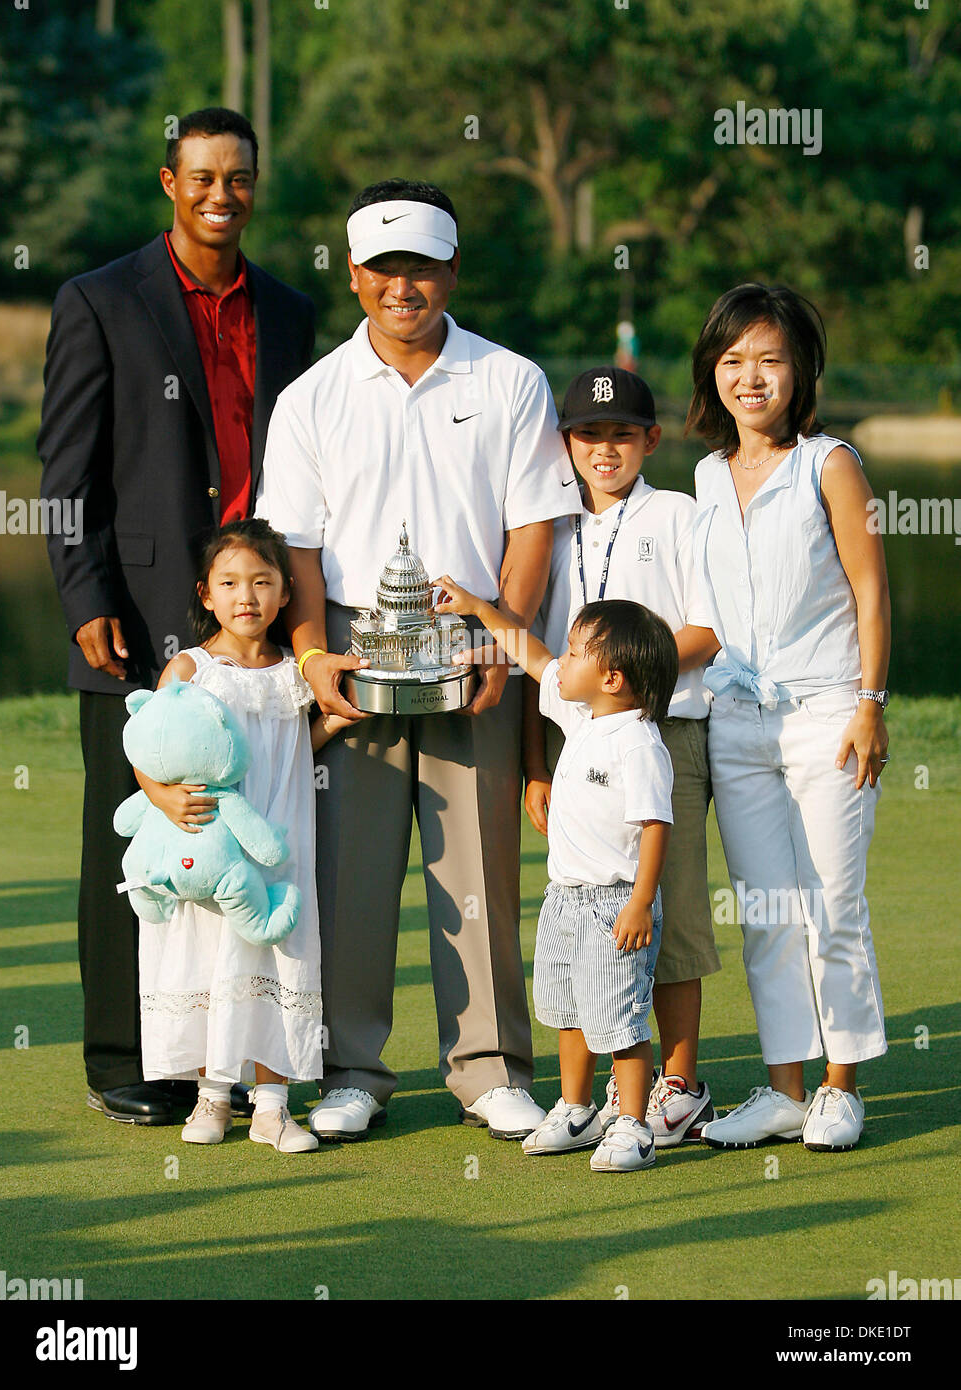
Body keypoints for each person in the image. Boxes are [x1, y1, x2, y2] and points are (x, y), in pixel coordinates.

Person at [256, 178, 580, 1141]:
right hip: (356, 642)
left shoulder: (510, 379)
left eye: (424, 267)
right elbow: (299, 553)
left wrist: (501, 642)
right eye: (386, 268)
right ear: (355, 274)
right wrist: (312, 657)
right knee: (350, 873)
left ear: (451, 271)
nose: (405, 286)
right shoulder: (311, 396)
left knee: (477, 865)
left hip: (473, 631)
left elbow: (533, 528)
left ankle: (488, 1069)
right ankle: (353, 1068)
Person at [38, 107, 316, 1125]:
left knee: (245, 848)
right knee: (142, 843)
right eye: (201, 177)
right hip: (136, 620)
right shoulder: (99, 298)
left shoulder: (289, 310)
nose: (220, 195)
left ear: (254, 184)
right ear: (170, 183)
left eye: (237, 178)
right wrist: (83, 602)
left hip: (256, 622)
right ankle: (126, 1058)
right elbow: (65, 476)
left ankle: (231, 1062)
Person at [685, 283, 890, 1152]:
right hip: (737, 722)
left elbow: (870, 588)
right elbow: (708, 613)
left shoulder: (830, 462)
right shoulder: (702, 474)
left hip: (828, 715)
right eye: (732, 361)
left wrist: (871, 703)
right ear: (712, 375)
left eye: (769, 359)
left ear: (799, 368)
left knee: (831, 904)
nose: (751, 377)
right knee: (766, 910)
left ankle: (840, 1089)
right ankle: (783, 1090)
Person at [523, 366, 721, 1147]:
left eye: (621, 433)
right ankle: (606, 1086)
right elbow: (542, 661)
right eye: (587, 434)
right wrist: (541, 762)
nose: (604, 449)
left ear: (651, 439)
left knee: (664, 918)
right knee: (584, 919)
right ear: (565, 442)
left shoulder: (676, 514)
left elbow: (708, 629)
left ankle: (677, 1085)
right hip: (573, 743)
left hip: (661, 733)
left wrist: (631, 679)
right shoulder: (552, 524)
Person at [435, 582, 677, 1171]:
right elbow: (531, 654)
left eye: (575, 654)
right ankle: (575, 1108)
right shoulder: (580, 714)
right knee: (568, 1011)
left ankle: (632, 1125)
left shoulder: (639, 743)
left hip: (616, 902)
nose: (560, 662)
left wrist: (641, 902)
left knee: (618, 1017)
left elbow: (655, 826)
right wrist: (476, 609)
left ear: (613, 678)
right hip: (564, 901)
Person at [131, 520, 354, 1152]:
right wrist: (161, 795)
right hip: (206, 837)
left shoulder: (294, 673)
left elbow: (288, 750)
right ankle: (212, 1095)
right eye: (229, 583)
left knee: (278, 948)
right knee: (207, 952)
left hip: (280, 832)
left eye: (262, 582)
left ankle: (274, 1104)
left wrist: (333, 722)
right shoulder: (191, 667)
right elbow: (149, 742)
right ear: (206, 594)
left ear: (286, 594)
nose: (246, 597)